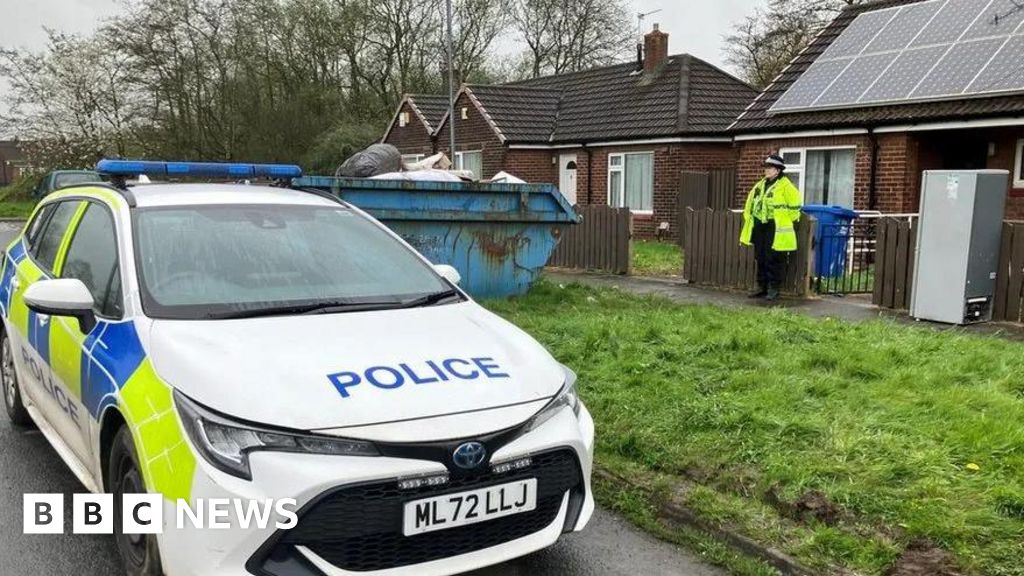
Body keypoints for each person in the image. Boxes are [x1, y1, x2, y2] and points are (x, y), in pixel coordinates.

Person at [739, 153, 803, 301]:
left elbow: (795, 207)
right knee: (760, 257)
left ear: (778, 170)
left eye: (770, 167)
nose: (766, 170)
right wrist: (750, 218)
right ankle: (762, 286)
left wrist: (785, 220)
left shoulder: (786, 186)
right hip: (760, 225)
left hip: (776, 227)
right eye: (766, 167)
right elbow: (750, 203)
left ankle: (774, 288)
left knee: (773, 258)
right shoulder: (760, 185)